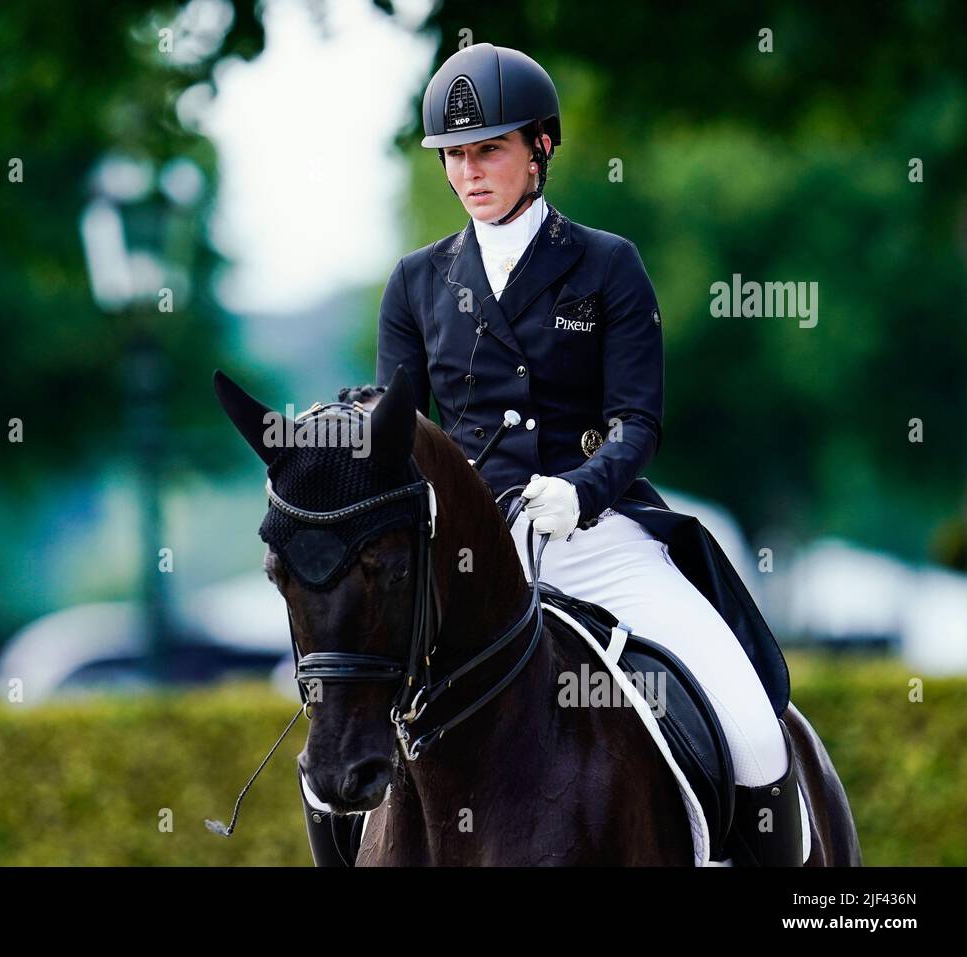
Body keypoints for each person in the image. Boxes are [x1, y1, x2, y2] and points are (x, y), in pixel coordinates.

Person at [300, 42, 803, 867]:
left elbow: (638, 420)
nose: (469, 171)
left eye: (488, 148)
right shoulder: (416, 283)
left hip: (597, 539)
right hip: (459, 565)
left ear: (541, 145)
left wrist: (582, 489)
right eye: (455, 155)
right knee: (332, 752)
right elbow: (399, 437)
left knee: (753, 730)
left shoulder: (606, 265)